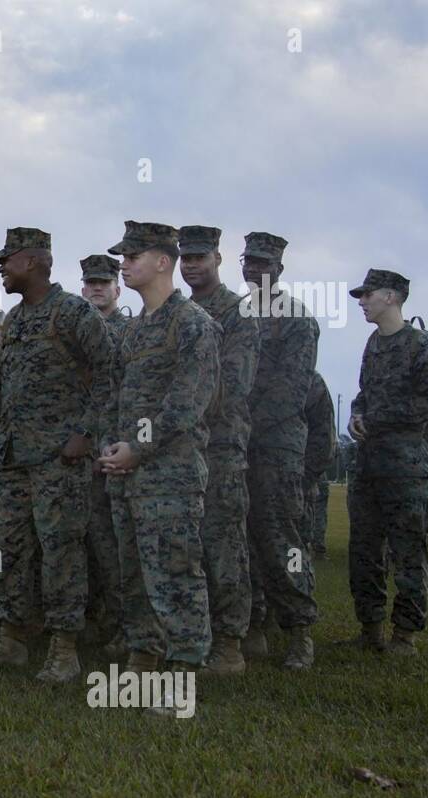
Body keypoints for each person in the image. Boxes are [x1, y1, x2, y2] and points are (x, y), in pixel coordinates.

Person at [0, 228, 112, 677]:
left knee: (61, 552)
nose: (1, 269)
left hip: (58, 458)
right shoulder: (12, 321)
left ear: (31, 262)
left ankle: (64, 649)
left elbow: (111, 373)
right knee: (10, 549)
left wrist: (86, 434)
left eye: (7, 261)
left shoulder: (73, 312)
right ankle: (12, 640)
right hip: (14, 458)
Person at [98, 221, 218, 696]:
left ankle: (183, 673)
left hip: (170, 476)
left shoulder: (192, 324)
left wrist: (137, 449)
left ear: (162, 262)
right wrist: (112, 445)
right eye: (123, 257)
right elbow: (116, 395)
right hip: (126, 474)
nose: (124, 264)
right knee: (134, 576)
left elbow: (187, 404)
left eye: (133, 256)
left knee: (175, 574)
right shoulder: (134, 330)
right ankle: (143, 656)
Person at [346, 269, 428, 655]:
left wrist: (376, 418)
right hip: (368, 466)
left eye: (367, 295)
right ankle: (369, 629)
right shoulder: (373, 343)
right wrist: (357, 415)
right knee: (364, 551)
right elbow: (363, 393)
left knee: (408, 551)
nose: (362, 302)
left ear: (391, 296)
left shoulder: (423, 346)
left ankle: (405, 635)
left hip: (405, 468)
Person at [179, 226, 259, 675]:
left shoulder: (236, 313)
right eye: (186, 258)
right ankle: (195, 634)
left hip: (221, 446)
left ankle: (230, 645)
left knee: (223, 543)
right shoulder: (180, 310)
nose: (192, 265)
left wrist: (181, 409)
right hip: (182, 449)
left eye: (200, 257)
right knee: (186, 547)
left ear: (218, 259)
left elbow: (234, 384)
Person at [242, 231, 320, 669]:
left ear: (279, 270)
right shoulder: (237, 315)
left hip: (276, 448)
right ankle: (253, 626)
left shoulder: (296, 320)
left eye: (263, 264)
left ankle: (299, 631)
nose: (254, 270)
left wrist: (242, 419)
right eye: (249, 262)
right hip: (237, 445)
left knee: (281, 541)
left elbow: (292, 392)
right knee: (241, 540)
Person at [78, 253, 129, 659]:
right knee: (91, 545)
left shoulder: (128, 331)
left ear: (118, 287)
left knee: (117, 548)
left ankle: (124, 625)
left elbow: (126, 396)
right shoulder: (79, 331)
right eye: (90, 283)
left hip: (115, 454)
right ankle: (99, 618)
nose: (97, 288)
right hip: (80, 454)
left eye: (104, 282)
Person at [303, 372, 336, 559]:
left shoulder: (311, 381)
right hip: (258, 481)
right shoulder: (257, 369)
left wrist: (306, 477)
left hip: (298, 481)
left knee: (295, 548)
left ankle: (296, 582)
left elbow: (325, 437)